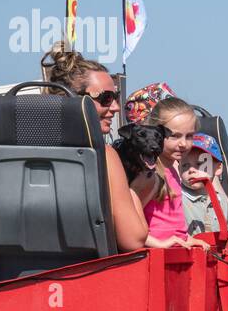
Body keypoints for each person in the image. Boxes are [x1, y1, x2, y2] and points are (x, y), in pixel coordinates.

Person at [41, 49, 148, 252]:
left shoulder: (17, 149)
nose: (116, 107)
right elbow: (133, 240)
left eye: (115, 97)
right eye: (106, 98)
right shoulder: (103, 155)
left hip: (16, 277)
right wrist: (135, 193)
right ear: (74, 99)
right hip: (85, 273)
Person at [127, 90, 210, 251]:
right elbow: (131, 223)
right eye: (175, 136)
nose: (183, 144)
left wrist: (187, 238)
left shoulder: (173, 167)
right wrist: (160, 244)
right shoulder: (151, 175)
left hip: (173, 250)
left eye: (189, 136)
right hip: (154, 255)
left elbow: (170, 222)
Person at [178, 133, 228, 234]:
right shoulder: (177, 198)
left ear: (218, 168)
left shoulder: (221, 200)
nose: (191, 170)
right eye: (185, 165)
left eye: (200, 163)